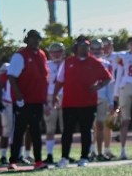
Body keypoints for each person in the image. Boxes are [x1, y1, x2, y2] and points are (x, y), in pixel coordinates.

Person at [53, 37, 113, 167]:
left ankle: (84, 157)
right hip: (69, 102)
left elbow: (108, 78)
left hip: (88, 103)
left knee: (86, 131)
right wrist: (54, 96)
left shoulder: (95, 62)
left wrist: (98, 86)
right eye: (82, 46)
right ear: (77, 48)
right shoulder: (68, 62)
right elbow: (59, 81)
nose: (84, 49)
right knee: (67, 131)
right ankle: (64, 157)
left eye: (86, 46)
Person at [8, 30, 50, 170]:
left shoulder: (42, 55)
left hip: (37, 100)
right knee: (19, 131)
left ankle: (38, 161)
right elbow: (12, 77)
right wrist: (19, 97)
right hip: (24, 101)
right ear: (27, 40)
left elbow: (44, 77)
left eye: (37, 38)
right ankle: (13, 160)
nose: (35, 41)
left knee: (36, 131)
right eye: (32, 38)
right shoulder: (20, 55)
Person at [90, 39, 115, 160]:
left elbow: (110, 85)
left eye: (98, 49)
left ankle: (100, 152)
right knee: (89, 126)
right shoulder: (85, 63)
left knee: (100, 125)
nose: (96, 51)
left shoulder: (107, 64)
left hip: (102, 97)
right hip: (88, 98)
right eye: (93, 49)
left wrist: (111, 102)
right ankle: (90, 151)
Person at [43, 42, 66, 164]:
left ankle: (64, 154)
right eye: (53, 52)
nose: (56, 54)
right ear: (50, 53)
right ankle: (50, 154)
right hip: (50, 96)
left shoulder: (68, 64)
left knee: (65, 129)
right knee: (50, 128)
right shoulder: (46, 65)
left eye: (59, 51)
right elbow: (42, 84)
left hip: (66, 96)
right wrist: (44, 102)